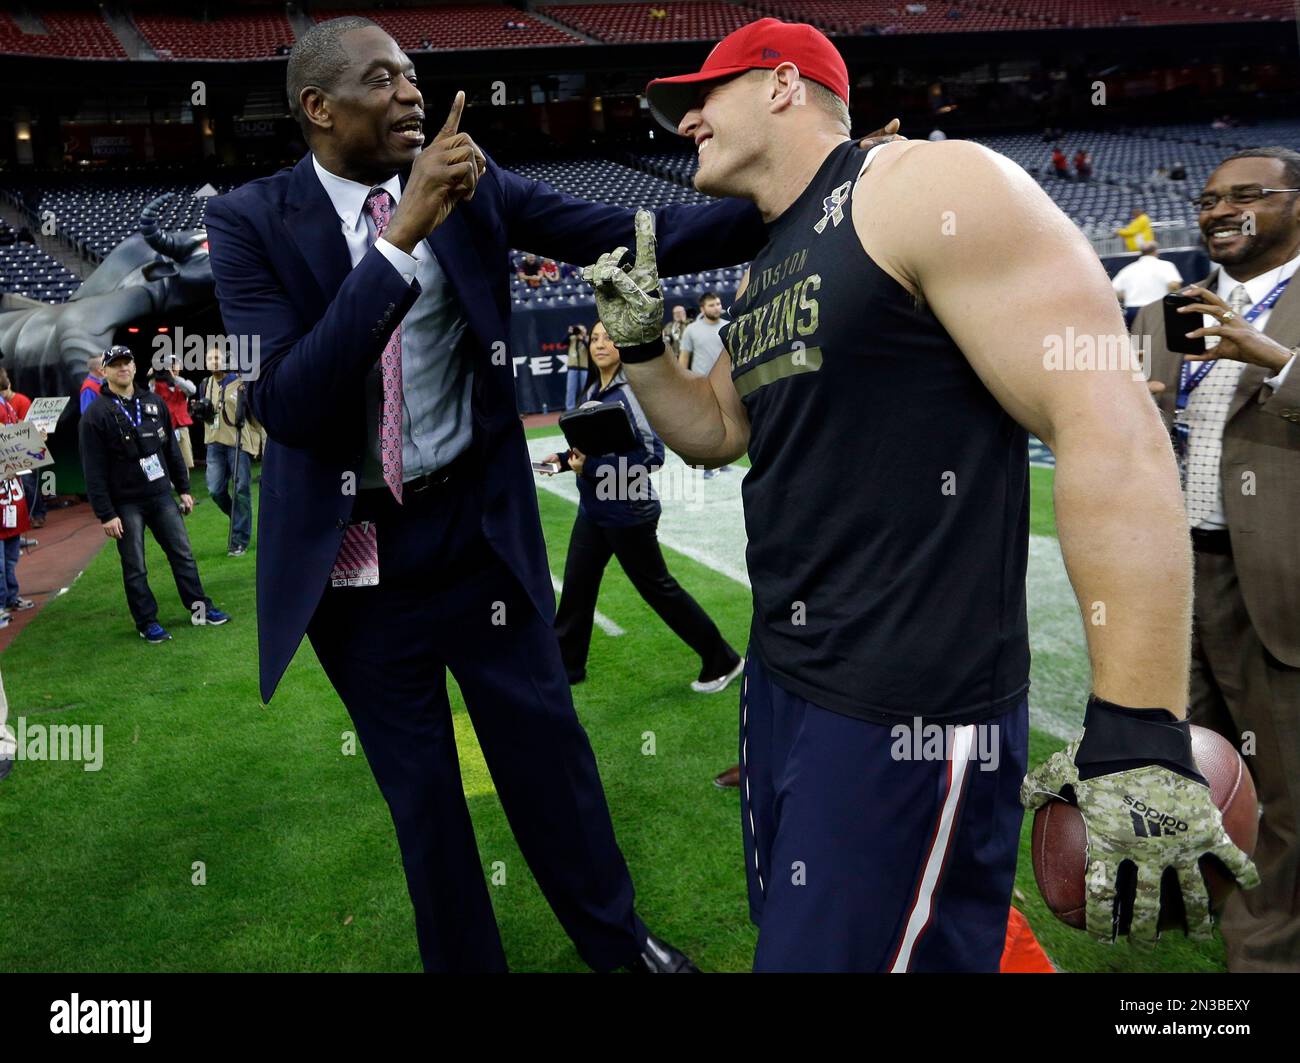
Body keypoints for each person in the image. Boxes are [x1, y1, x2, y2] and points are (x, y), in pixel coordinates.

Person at [584, 16, 1257, 971]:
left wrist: (1139, 722)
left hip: (906, 705)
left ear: (783, 85)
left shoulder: (926, 187)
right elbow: (717, 429)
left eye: (704, 95)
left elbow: (1108, 423)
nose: (685, 121)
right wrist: (646, 349)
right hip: (787, 676)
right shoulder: (771, 259)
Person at [203, 15, 775, 974]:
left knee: (549, 758)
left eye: (411, 74)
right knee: (424, 797)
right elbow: (290, 403)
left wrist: (807, 188)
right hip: (356, 558)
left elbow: (634, 236)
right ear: (318, 107)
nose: (410, 93)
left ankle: (620, 943)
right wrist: (399, 239)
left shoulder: (473, 181)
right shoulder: (249, 222)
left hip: (475, 529)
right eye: (381, 79)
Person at [1132, 146, 1300, 972]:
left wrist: (1276, 360)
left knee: (1289, 788)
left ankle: (1266, 952)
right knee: (1190, 760)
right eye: (1207, 199)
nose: (1220, 210)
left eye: (1248, 194)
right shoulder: (1165, 311)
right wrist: (1138, 411)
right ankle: (1199, 900)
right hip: (1179, 574)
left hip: (1278, 577)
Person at [543, 321, 744, 691]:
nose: (600, 344)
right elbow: (595, 446)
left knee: (659, 590)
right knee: (577, 589)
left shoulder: (630, 392)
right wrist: (563, 459)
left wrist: (591, 467)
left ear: (622, 345)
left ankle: (723, 659)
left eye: (609, 338)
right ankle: (565, 668)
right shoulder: (593, 388)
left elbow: (651, 456)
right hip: (595, 509)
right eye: (595, 338)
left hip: (628, 513)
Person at [78, 346, 230, 643]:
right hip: (125, 503)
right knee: (135, 566)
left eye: (127, 362)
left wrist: (184, 489)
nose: (123, 368)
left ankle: (200, 609)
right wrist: (106, 514)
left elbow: (170, 448)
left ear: (135, 367)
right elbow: (92, 469)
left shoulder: (153, 401)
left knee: (183, 555)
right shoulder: (95, 415)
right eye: (116, 364)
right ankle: (147, 622)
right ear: (104, 372)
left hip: (160, 495)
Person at [202, 345, 264, 556]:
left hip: (239, 442)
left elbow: (254, 414)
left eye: (217, 358)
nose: (214, 361)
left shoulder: (241, 383)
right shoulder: (205, 384)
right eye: (210, 358)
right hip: (214, 442)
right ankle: (238, 517)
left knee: (241, 490)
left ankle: (239, 541)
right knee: (215, 490)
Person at [680, 291, 733, 477]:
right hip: (701, 385)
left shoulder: (728, 327)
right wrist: (683, 384)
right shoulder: (691, 330)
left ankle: (723, 461)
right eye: (711, 305)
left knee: (727, 424)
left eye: (718, 304)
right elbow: (684, 358)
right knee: (705, 428)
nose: (716, 308)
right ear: (702, 309)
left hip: (726, 385)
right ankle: (707, 466)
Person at [0, 368, 46, 529]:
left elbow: (26, 425)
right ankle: (19, 518)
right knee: (13, 488)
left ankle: (37, 514)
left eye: (4, 389)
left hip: (23, 448)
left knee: (28, 483)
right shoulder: (4, 404)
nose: (3, 393)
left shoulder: (20, 401)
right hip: (8, 450)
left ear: (9, 385)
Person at [1111, 242, 1183, 326]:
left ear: (1141, 252)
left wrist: (1129, 296)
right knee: (1158, 334)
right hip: (1157, 308)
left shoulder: (1128, 269)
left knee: (1136, 335)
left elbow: (1114, 290)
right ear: (1156, 252)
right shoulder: (1166, 265)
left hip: (1133, 310)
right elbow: (1174, 285)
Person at [150, 352, 196, 470]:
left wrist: (174, 379)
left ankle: (184, 480)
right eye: (170, 365)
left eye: (175, 364)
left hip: (181, 427)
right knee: (165, 459)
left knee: (184, 461)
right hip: (163, 427)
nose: (173, 367)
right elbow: (149, 395)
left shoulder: (184, 383)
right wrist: (151, 377)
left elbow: (192, 390)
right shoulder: (157, 384)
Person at [563, 323, 589, 410]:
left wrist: (583, 339)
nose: (579, 331)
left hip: (584, 367)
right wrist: (569, 333)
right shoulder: (572, 338)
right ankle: (570, 409)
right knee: (570, 389)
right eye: (578, 330)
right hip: (572, 367)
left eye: (582, 329)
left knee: (585, 389)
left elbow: (589, 348)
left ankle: (585, 407)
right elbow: (563, 343)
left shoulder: (588, 338)